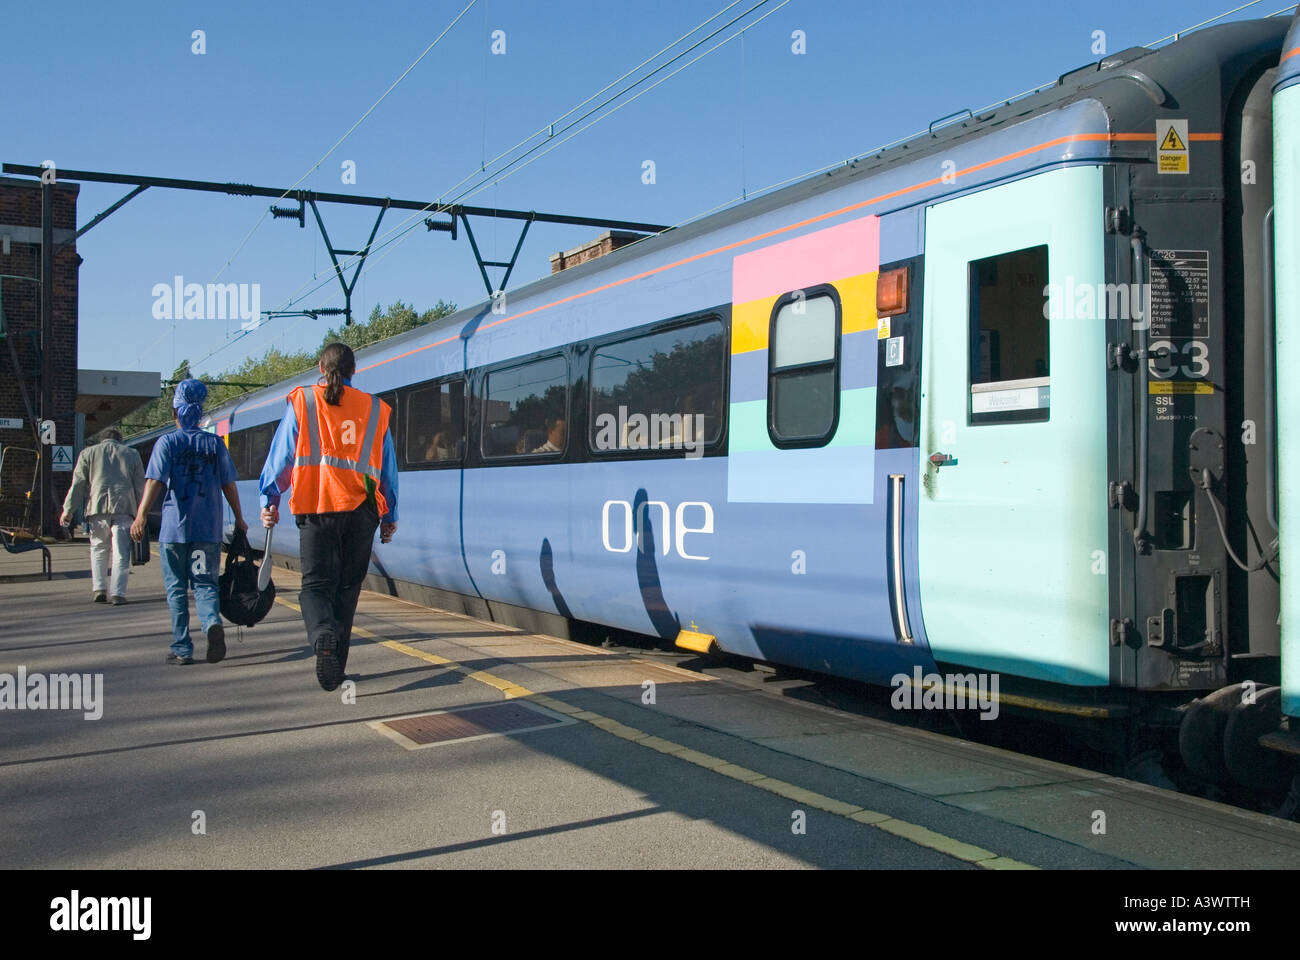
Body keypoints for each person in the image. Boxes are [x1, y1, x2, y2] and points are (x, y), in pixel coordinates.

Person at [259, 343, 398, 692]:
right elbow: (388, 470)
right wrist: (389, 515)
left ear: (321, 366)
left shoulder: (304, 402)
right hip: (362, 512)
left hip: (316, 507)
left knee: (316, 586)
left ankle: (322, 637)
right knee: (347, 590)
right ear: (354, 369)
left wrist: (269, 499)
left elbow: (282, 457)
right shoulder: (376, 409)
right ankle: (337, 668)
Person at [130, 379, 248, 665]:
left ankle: (182, 648)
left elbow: (155, 480)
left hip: (174, 530)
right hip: (206, 529)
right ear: (199, 411)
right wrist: (240, 518)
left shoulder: (167, 442)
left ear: (176, 413)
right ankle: (211, 625)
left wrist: (141, 515)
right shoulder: (214, 444)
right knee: (205, 584)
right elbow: (228, 484)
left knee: (176, 589)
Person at [60, 427, 146, 604]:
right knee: (120, 553)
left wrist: (68, 510)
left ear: (102, 439)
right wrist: (141, 514)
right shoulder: (132, 454)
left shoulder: (88, 453)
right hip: (124, 508)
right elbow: (140, 486)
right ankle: (118, 593)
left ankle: (99, 589)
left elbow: (78, 485)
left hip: (97, 509)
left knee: (99, 549)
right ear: (120, 440)